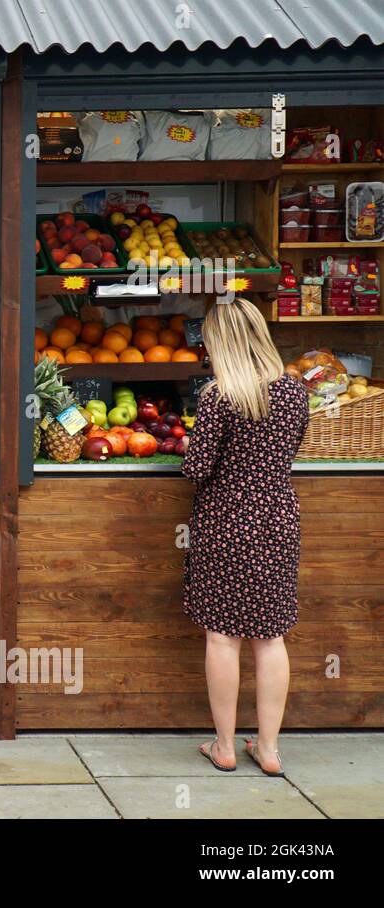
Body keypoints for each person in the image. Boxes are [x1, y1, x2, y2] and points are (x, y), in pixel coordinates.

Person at [181, 297, 307, 777]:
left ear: (222, 343)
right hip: (277, 518)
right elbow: (290, 452)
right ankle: (270, 751)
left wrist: (193, 443)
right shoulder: (295, 393)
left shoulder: (218, 396)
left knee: (223, 637)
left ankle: (227, 746)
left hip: (226, 522)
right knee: (271, 636)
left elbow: (197, 469)